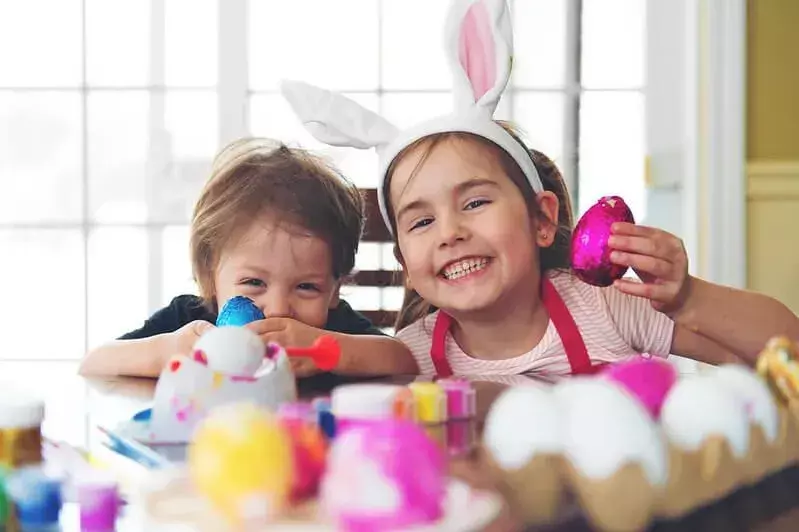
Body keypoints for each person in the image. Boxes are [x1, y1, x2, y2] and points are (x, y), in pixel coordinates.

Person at [280, 0, 799, 377]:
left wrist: (688, 298)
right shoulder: (411, 356)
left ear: (542, 218)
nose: (451, 232)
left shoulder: (605, 308)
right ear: (405, 260)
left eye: (476, 202)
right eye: (421, 221)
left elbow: (785, 352)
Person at [79, 138, 418, 379]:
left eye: (306, 287)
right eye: (254, 282)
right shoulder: (193, 321)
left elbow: (404, 362)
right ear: (210, 277)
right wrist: (166, 352)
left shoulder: (329, 330)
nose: (279, 307)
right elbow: (95, 363)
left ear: (334, 290)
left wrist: (327, 350)